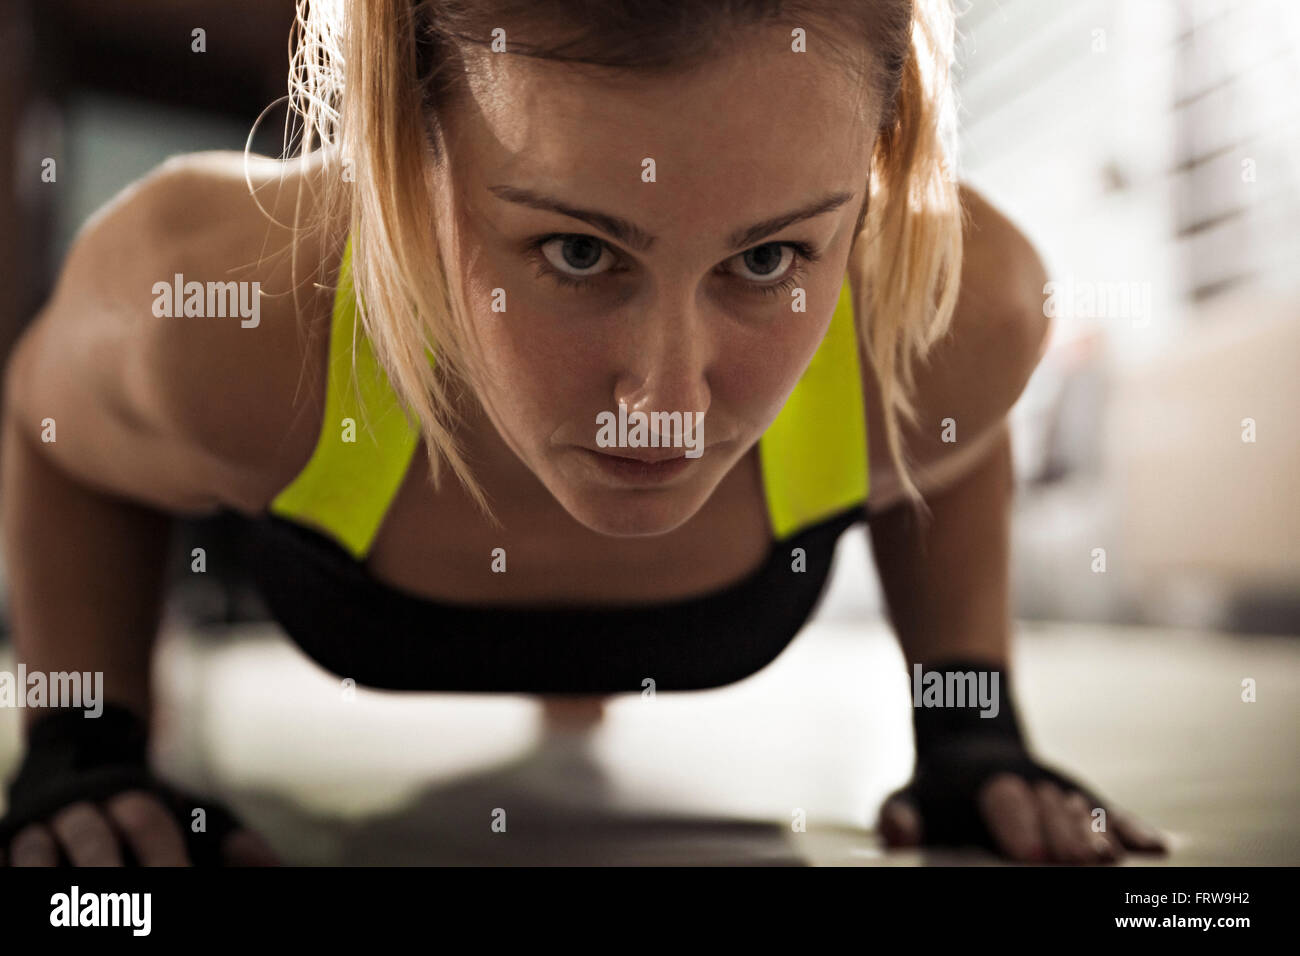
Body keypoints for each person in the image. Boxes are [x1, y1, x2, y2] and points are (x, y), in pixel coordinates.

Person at [0, 0, 1166, 866]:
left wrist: (969, 720)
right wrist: (85, 741)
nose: (665, 399)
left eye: (768, 259)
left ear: (872, 183)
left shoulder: (964, 305)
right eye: (577, 251)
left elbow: (946, 447)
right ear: (406, 158)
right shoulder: (205, 305)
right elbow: (53, 436)